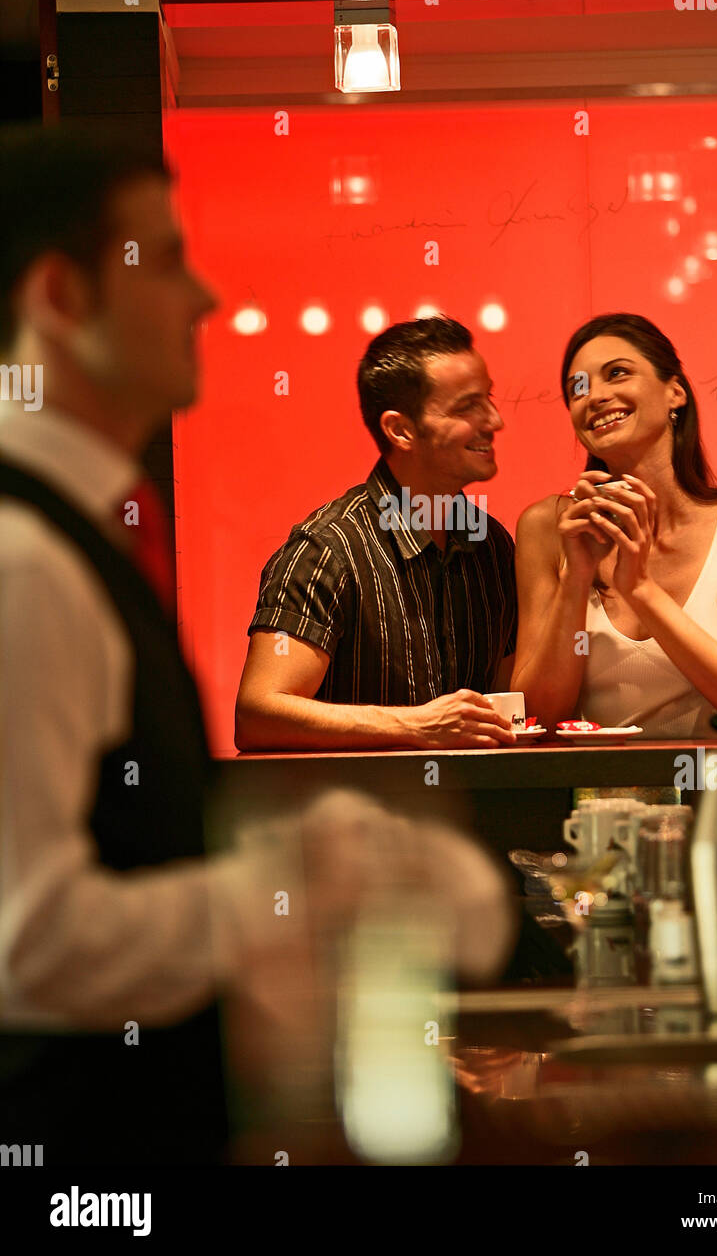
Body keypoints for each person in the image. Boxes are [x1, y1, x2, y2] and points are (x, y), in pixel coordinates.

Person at [0, 124, 514, 1165]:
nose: (208, 300)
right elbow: (27, 940)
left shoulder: (73, 530)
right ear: (60, 296)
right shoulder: (24, 558)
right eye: (166, 259)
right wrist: (304, 879)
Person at [235, 316, 519, 751]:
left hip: (471, 812)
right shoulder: (328, 548)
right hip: (354, 815)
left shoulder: (491, 544)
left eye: (489, 399)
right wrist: (416, 726)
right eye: (467, 407)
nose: (494, 421)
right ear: (400, 430)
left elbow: (506, 701)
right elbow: (258, 714)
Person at [512, 312, 717, 736]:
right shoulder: (549, 528)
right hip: (596, 799)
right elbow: (538, 716)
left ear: (675, 392)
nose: (596, 396)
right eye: (578, 389)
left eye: (618, 374)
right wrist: (576, 579)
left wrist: (640, 589)